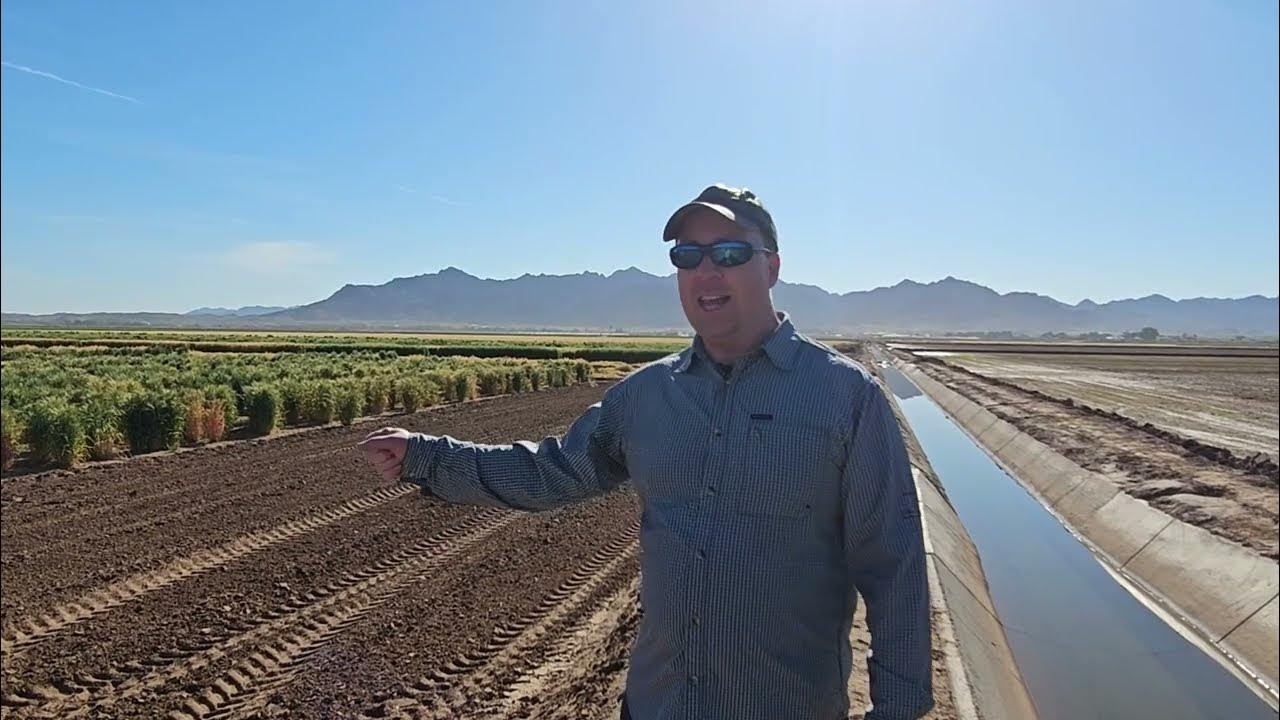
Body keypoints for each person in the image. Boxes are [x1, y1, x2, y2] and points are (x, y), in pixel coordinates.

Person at [359, 184, 934, 720]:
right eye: (688, 256)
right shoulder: (647, 396)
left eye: (730, 253)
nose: (706, 270)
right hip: (656, 703)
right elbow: (552, 470)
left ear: (773, 267)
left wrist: (899, 709)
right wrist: (428, 456)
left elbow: (893, 566)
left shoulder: (845, 398)